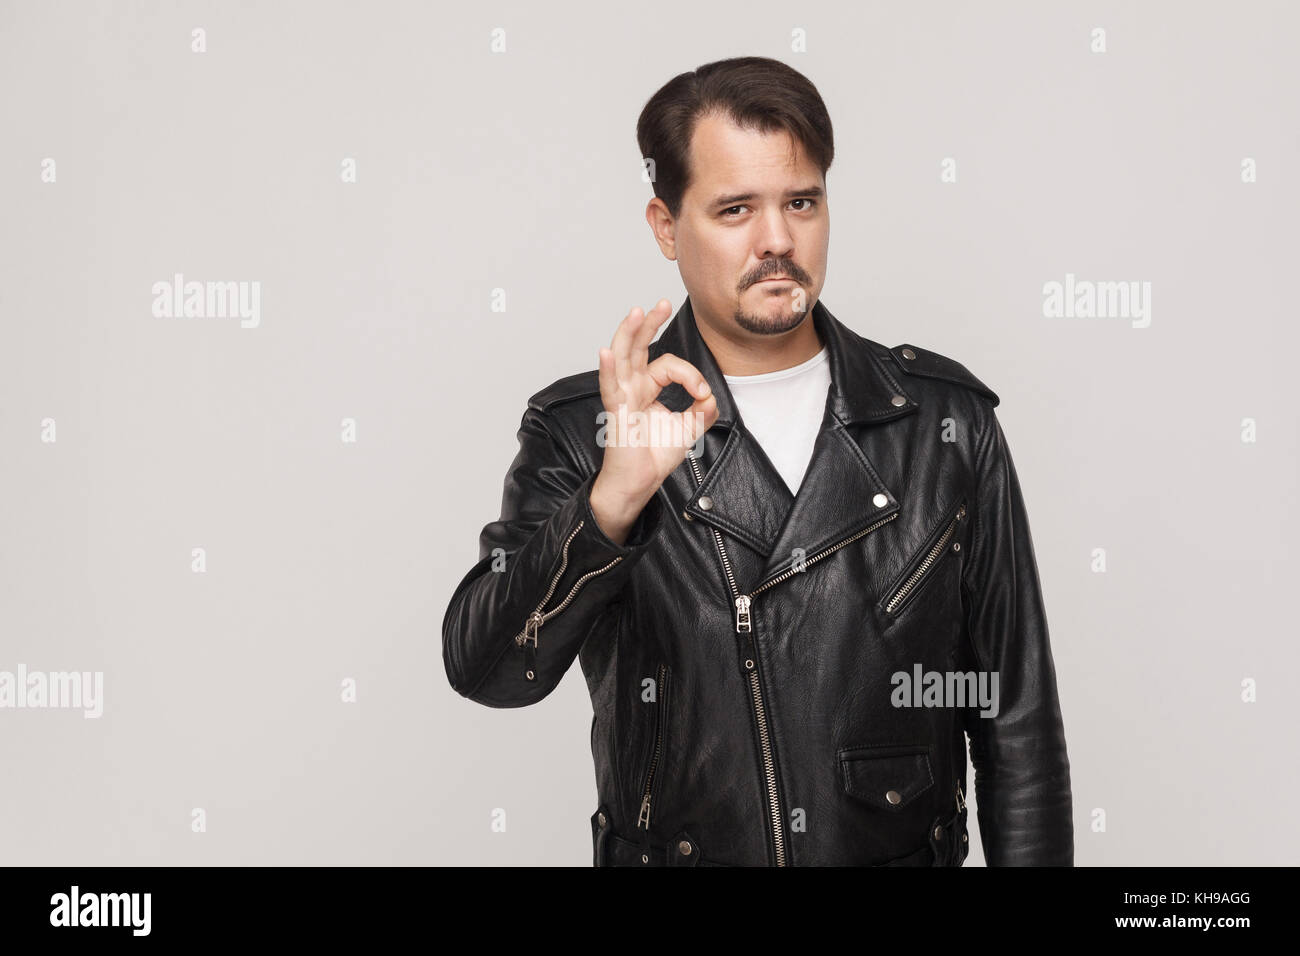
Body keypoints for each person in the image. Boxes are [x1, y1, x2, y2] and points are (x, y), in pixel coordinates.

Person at [442, 56, 1073, 866]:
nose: (777, 240)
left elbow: (1015, 721)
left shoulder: (942, 424)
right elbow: (491, 671)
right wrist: (610, 503)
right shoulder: (584, 429)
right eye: (735, 209)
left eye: (801, 202)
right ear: (667, 226)